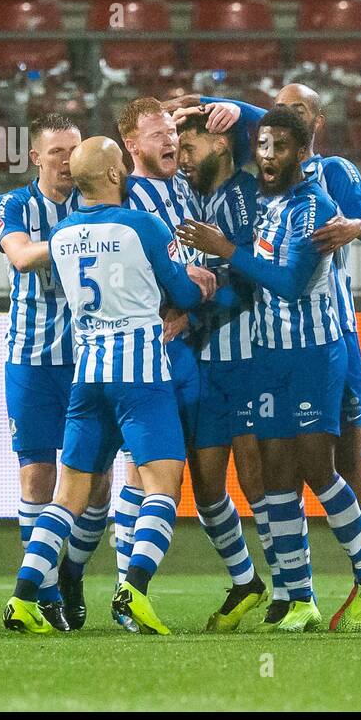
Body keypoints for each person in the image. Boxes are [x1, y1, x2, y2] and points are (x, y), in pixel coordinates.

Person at [176, 108, 361, 633]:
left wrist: (226, 251)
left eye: (280, 147)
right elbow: (254, 278)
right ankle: (300, 597)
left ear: (302, 152)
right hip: (269, 352)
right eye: (264, 146)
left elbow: (292, 282)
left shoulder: (314, 206)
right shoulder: (268, 205)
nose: (269, 156)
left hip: (313, 353)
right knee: (276, 478)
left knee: (319, 470)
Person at [3, 136, 213, 635]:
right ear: (118, 175)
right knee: (163, 486)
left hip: (87, 375)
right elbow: (181, 291)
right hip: (141, 374)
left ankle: (23, 597)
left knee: (67, 496)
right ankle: (133, 590)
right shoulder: (143, 224)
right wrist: (198, 284)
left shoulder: (62, 234)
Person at [112, 97, 265, 634]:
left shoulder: (181, 185)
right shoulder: (129, 196)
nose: (170, 141)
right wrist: (181, 289)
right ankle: (123, 588)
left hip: (190, 347)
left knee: (204, 482)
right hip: (151, 347)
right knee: (146, 475)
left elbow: (281, 131)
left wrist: (225, 108)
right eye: (157, 135)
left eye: (171, 133)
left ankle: (246, 581)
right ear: (132, 146)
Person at [0, 114, 109, 631]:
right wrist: (79, 237)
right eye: (57, 151)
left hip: (94, 359)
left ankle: (74, 573)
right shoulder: (14, 204)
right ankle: (42, 592)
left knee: (98, 483)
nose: (67, 159)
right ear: (36, 158)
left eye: (75, 149)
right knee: (38, 474)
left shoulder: (103, 199)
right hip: (33, 359)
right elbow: (19, 257)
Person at [173, 107, 275, 631]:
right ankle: (245, 581)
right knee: (208, 486)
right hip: (207, 362)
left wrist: (192, 309)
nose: (182, 159)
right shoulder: (201, 198)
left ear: (219, 144)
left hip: (247, 360)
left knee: (258, 483)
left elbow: (251, 281)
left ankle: (289, 590)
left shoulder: (244, 196)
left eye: (188, 148)